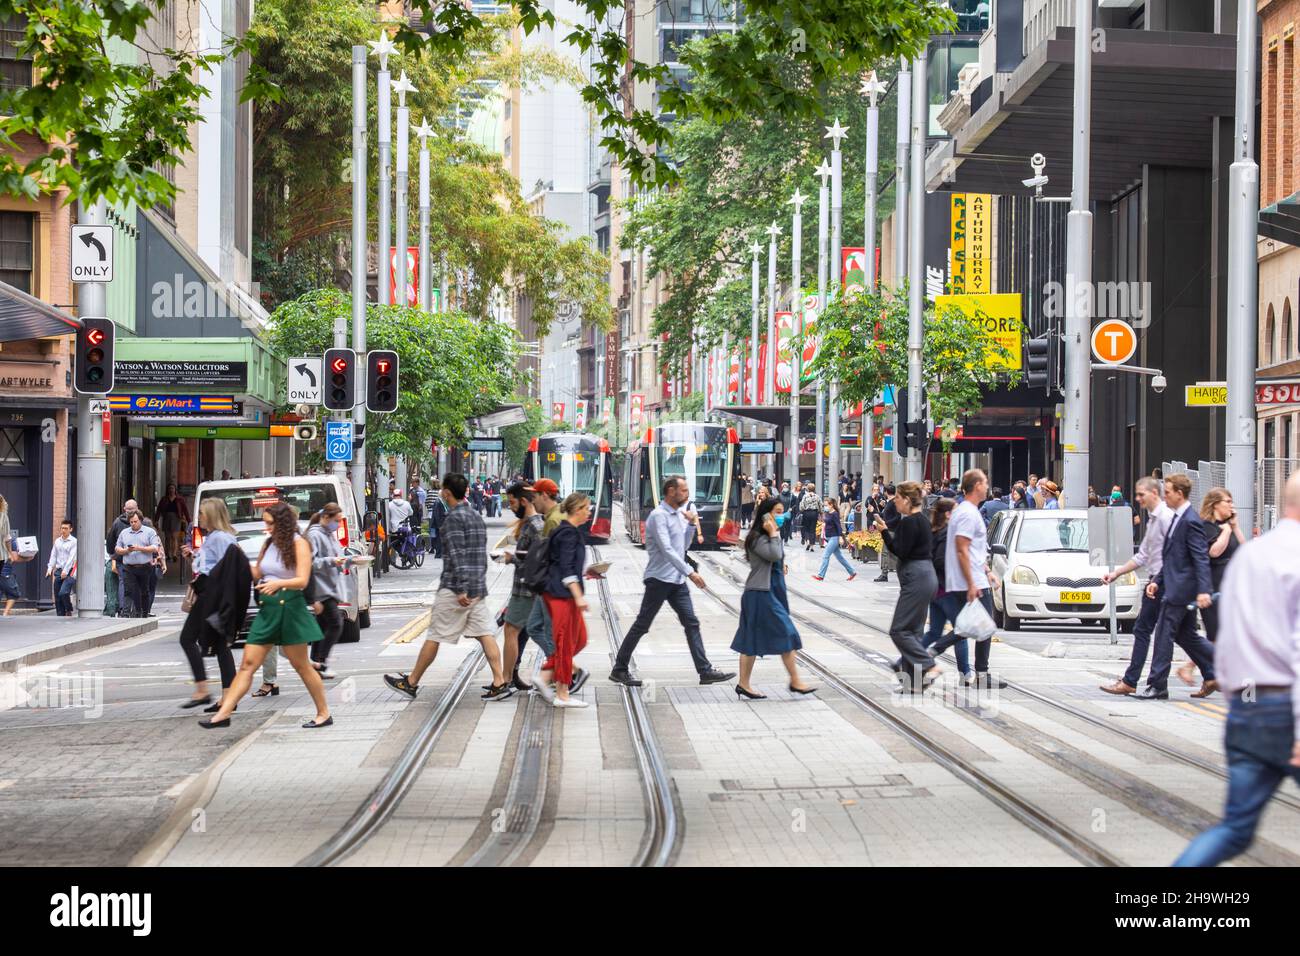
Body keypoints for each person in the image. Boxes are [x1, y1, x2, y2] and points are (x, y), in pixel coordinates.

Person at [1172, 471, 1300, 867]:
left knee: (1235, 829)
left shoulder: (1252, 555)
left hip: (1248, 707)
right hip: (1285, 709)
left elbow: (1228, 632)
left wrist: (1228, 685)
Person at [200, 502, 332, 729]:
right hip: (269, 609)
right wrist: (236, 559)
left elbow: (302, 579)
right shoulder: (269, 544)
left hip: (290, 607)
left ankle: (323, 712)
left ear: (282, 523)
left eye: (270, 523)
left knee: (301, 665)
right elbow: (257, 572)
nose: (266, 527)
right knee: (247, 664)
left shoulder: (299, 544)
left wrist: (278, 583)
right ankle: (222, 714)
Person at [384, 473, 509, 701]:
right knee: (485, 634)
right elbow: (479, 554)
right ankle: (499, 681)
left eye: (443, 489)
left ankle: (411, 682)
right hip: (477, 588)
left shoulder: (453, 519)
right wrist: (476, 586)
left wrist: (461, 589)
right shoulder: (475, 516)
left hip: (455, 590)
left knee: (435, 635)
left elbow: (456, 555)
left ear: (447, 493)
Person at [610, 476, 734, 687]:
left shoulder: (678, 515)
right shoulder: (658, 516)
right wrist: (690, 572)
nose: (687, 494)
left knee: (691, 622)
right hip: (658, 579)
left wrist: (691, 526)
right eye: (683, 490)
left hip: (675, 580)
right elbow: (667, 550)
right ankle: (620, 668)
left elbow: (682, 547)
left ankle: (705, 671)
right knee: (642, 624)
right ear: (670, 491)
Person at [1133, 473, 1218, 700]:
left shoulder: (1190, 521)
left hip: (1180, 589)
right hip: (1173, 584)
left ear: (1179, 494)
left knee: (1163, 634)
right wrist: (1156, 581)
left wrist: (1203, 590)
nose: (1165, 496)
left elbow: (1200, 558)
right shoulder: (1177, 518)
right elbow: (1170, 557)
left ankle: (1157, 685)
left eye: (1168, 492)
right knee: (1186, 636)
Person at [926, 469, 1005, 689]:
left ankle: (938, 652)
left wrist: (987, 572)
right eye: (985, 482)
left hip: (972, 577)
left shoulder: (967, 511)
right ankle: (977, 671)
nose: (987, 486)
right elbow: (962, 549)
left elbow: (972, 551)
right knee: (983, 625)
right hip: (970, 580)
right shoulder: (968, 513)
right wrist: (972, 583)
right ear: (977, 485)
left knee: (970, 625)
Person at [732, 496, 815, 699]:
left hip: (768, 592)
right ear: (766, 514)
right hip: (760, 594)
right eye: (777, 512)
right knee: (786, 632)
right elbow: (774, 555)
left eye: (781, 512)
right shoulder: (758, 537)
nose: (780, 516)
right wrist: (774, 533)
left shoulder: (764, 536)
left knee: (751, 638)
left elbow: (775, 559)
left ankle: (744, 683)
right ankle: (795, 680)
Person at [1099, 477, 1172, 696]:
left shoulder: (1166, 518)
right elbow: (1142, 556)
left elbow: (1174, 554)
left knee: (1149, 630)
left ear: (1155, 493)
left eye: (1142, 494)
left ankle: (1134, 680)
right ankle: (1210, 673)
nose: (1137, 499)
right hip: (1158, 581)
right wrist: (1116, 573)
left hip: (1163, 582)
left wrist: (1157, 581)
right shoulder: (1154, 519)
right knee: (1178, 634)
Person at [178, 498, 246, 712]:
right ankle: (228, 697)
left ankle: (202, 690)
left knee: (187, 638)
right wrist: (193, 556)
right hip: (212, 592)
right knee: (219, 646)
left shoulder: (219, 538)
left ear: (212, 515)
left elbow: (227, 567)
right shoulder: (217, 537)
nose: (199, 517)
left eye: (202, 513)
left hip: (212, 594)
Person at [876, 481, 940, 690]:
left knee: (900, 630)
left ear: (906, 499)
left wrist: (884, 531)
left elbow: (900, 551)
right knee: (914, 631)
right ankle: (914, 682)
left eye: (897, 498)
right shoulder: (923, 520)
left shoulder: (909, 522)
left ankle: (928, 665)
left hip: (916, 577)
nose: (895, 503)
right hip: (926, 576)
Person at [537, 493, 593, 708]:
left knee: (578, 639)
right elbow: (566, 568)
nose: (588, 512)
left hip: (563, 593)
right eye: (586, 508)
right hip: (561, 595)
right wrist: (578, 595)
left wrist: (587, 573)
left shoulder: (567, 531)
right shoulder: (568, 533)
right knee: (565, 642)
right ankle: (562, 694)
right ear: (577, 509)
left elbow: (566, 564)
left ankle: (547, 674)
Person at [500, 482, 544, 691]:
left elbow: (537, 561)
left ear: (524, 501)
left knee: (511, 631)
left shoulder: (536, 526)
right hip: (523, 589)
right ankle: (511, 675)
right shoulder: (530, 524)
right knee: (523, 632)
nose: (510, 507)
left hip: (525, 590)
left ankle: (504, 680)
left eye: (512, 502)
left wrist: (512, 559)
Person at [921, 498, 970, 680]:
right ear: (948, 514)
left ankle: (907, 658)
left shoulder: (934, 530)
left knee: (934, 631)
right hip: (946, 590)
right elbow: (941, 560)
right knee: (961, 629)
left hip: (934, 589)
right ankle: (965, 674)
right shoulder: (947, 532)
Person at [1195, 486, 1245, 648]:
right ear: (1215, 504)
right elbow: (1214, 552)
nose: (1232, 505)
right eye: (1228, 502)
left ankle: (1193, 666)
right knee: (1217, 634)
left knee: (1229, 633)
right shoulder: (1207, 526)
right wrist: (1226, 532)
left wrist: (1235, 526)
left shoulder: (1228, 526)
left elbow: (1244, 550)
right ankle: (1207, 668)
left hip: (1231, 586)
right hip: (1215, 585)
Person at [307, 503, 352, 680]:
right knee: (335, 624)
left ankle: (316, 664)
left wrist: (350, 560)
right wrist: (333, 561)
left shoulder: (328, 534)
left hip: (329, 586)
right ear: (326, 517)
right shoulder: (314, 535)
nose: (338, 524)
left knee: (323, 626)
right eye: (337, 521)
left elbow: (336, 557)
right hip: (321, 588)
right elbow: (311, 562)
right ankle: (321, 663)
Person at [115, 511, 161, 617]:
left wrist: (140, 548)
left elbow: (155, 547)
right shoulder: (124, 533)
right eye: (131, 522)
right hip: (128, 567)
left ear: (140, 520)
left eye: (135, 521)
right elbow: (117, 548)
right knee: (128, 590)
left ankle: (144, 613)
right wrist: (127, 551)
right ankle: (126, 614)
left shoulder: (149, 532)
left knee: (144, 591)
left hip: (144, 566)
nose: (133, 524)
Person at [104, 499, 139, 617]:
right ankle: (134, 609)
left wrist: (113, 554)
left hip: (121, 558)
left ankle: (123, 609)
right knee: (136, 583)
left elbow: (110, 540)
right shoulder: (141, 521)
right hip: (137, 559)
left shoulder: (117, 522)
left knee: (123, 582)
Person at [811, 496, 856, 582]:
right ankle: (852, 572)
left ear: (831, 505)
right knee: (840, 558)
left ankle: (820, 575)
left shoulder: (835, 514)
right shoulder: (828, 513)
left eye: (826, 505)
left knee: (825, 556)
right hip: (829, 537)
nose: (825, 507)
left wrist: (840, 538)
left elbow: (838, 526)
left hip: (834, 537)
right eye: (824, 505)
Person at [154, 483, 191, 564]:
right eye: (170, 488)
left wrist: (189, 521)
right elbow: (159, 510)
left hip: (176, 518)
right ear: (167, 490)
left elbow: (185, 510)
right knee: (167, 537)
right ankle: (168, 554)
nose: (171, 490)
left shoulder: (179, 499)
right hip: (166, 518)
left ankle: (174, 554)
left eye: (173, 488)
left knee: (174, 536)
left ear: (175, 490)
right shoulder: (164, 499)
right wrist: (156, 520)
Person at [46, 519, 77, 616]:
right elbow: (53, 556)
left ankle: (68, 609)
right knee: (57, 596)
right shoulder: (57, 541)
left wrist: (66, 571)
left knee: (63, 592)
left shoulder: (74, 542)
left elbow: (72, 558)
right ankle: (60, 615)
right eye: (62, 528)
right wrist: (50, 568)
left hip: (70, 571)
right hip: (59, 571)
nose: (63, 530)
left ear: (71, 529)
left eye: (66, 528)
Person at [871, 484, 898, 582]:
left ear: (886, 492)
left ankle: (884, 574)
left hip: (891, 530)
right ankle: (885, 573)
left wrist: (885, 523)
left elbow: (897, 517)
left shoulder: (894, 502)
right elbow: (885, 515)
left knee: (886, 553)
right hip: (888, 530)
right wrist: (875, 512)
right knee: (889, 553)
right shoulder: (890, 502)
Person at [426, 480, 447, 556]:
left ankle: (433, 547)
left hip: (431, 513)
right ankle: (437, 549)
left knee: (432, 532)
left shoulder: (430, 492)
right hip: (438, 518)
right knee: (438, 534)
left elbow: (427, 502)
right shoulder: (439, 498)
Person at [798, 483, 821, 551]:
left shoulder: (805, 496)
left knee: (806, 528)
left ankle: (807, 541)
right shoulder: (817, 496)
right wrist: (820, 513)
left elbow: (801, 506)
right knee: (813, 529)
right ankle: (812, 546)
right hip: (814, 513)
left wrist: (802, 510)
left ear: (808, 489)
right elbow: (820, 505)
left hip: (806, 513)